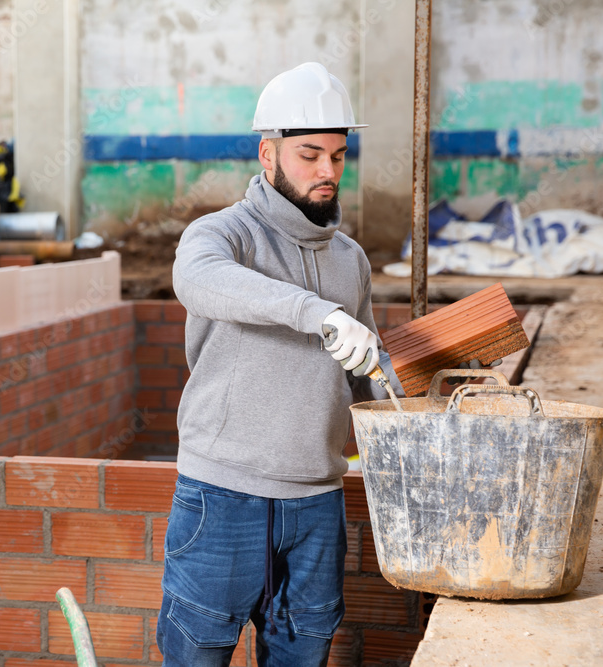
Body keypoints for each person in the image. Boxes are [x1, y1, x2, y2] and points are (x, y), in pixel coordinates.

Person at [155, 62, 405, 667]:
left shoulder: (350, 260)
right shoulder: (222, 235)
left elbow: (367, 367)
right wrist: (316, 313)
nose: (327, 172)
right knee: (197, 656)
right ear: (268, 155)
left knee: (303, 654)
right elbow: (199, 281)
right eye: (309, 154)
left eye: (339, 157)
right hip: (221, 497)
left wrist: (409, 428)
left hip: (317, 503)